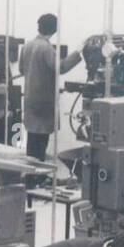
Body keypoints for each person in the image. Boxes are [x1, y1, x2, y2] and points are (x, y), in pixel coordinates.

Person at [18, 13, 83, 162]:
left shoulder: (27, 45)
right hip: (43, 104)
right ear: (54, 30)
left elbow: (22, 70)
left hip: (30, 102)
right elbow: (61, 67)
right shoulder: (46, 48)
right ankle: (36, 179)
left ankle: (31, 178)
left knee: (32, 143)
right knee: (41, 144)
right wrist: (78, 52)